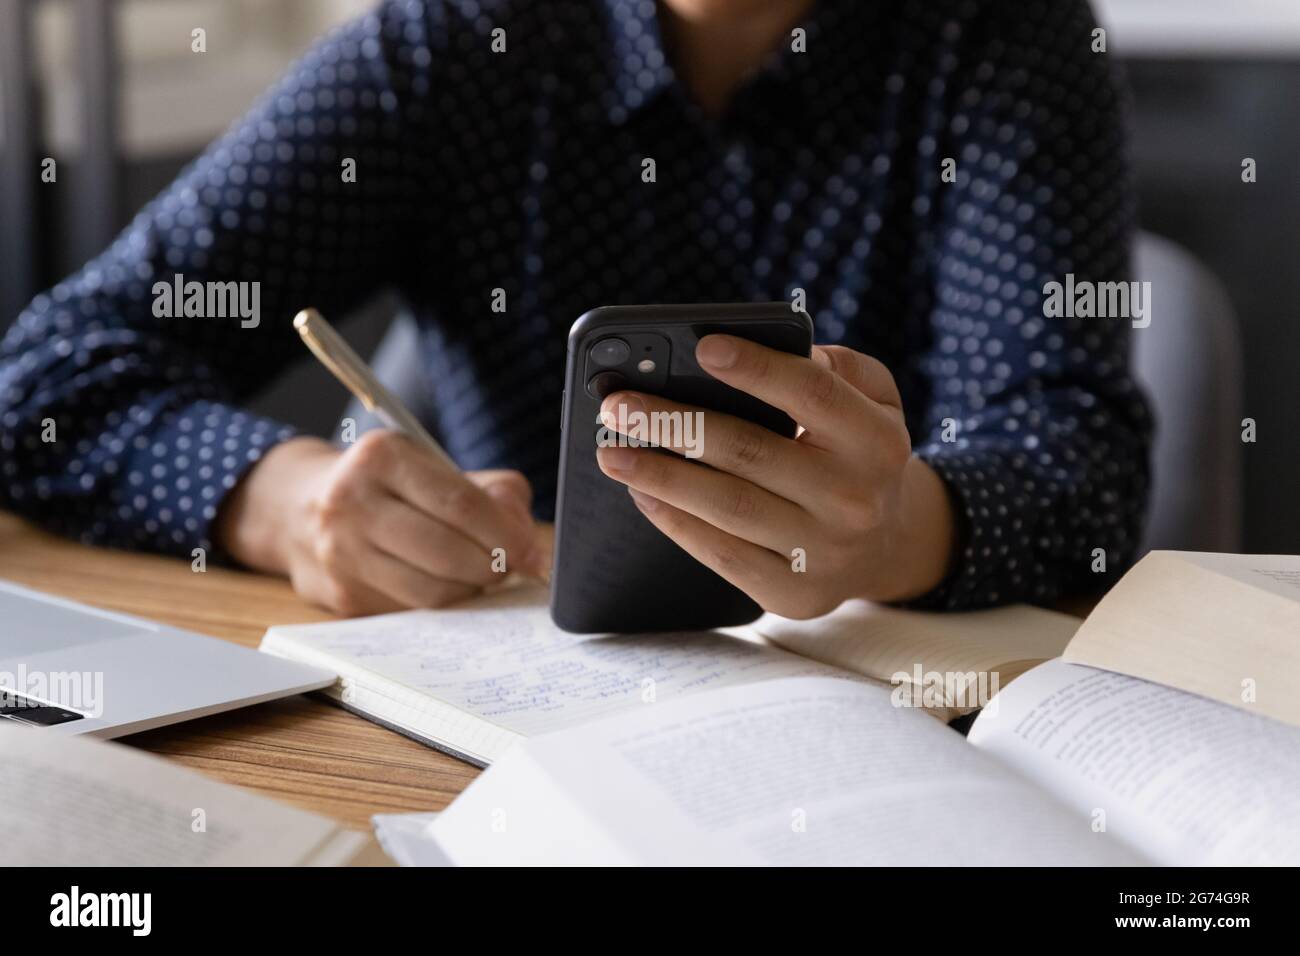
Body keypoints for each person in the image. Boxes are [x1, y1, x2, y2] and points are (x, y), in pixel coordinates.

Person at [0, 0, 1151, 618]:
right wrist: (284, 501)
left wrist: (890, 530)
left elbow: (1080, 463)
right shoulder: (449, 45)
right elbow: (46, 376)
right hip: (509, 692)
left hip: (873, 693)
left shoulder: (1008, 34)